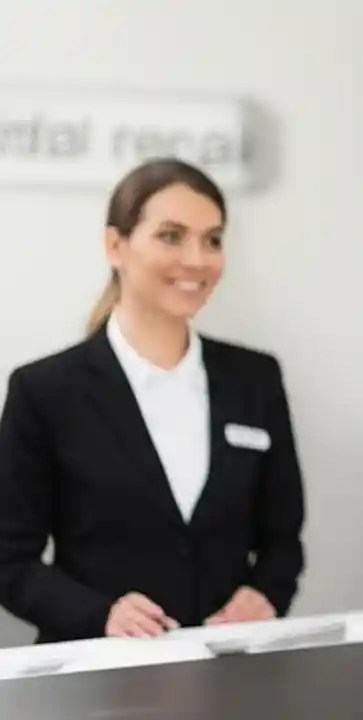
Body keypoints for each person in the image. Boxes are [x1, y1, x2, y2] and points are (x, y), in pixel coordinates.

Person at [0, 158, 306, 643]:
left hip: (228, 673)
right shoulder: (44, 391)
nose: (198, 259)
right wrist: (101, 615)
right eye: (171, 235)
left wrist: (266, 593)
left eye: (213, 239)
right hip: (96, 680)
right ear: (115, 245)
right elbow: (10, 562)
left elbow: (282, 541)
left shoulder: (255, 379)